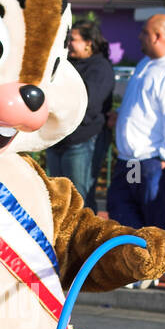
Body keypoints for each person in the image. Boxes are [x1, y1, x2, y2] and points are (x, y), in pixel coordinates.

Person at [106, 14, 165, 284]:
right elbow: (142, 108)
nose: (139, 37)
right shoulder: (146, 63)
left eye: (144, 33)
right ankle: (137, 266)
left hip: (152, 160)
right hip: (130, 159)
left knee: (152, 219)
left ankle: (152, 272)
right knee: (121, 207)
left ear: (158, 36)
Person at [45, 19, 114, 210]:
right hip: (58, 140)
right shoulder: (66, 65)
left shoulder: (100, 68)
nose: (68, 44)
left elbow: (89, 104)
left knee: (79, 199)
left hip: (82, 142)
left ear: (88, 43)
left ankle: (84, 239)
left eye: (73, 39)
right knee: (59, 198)